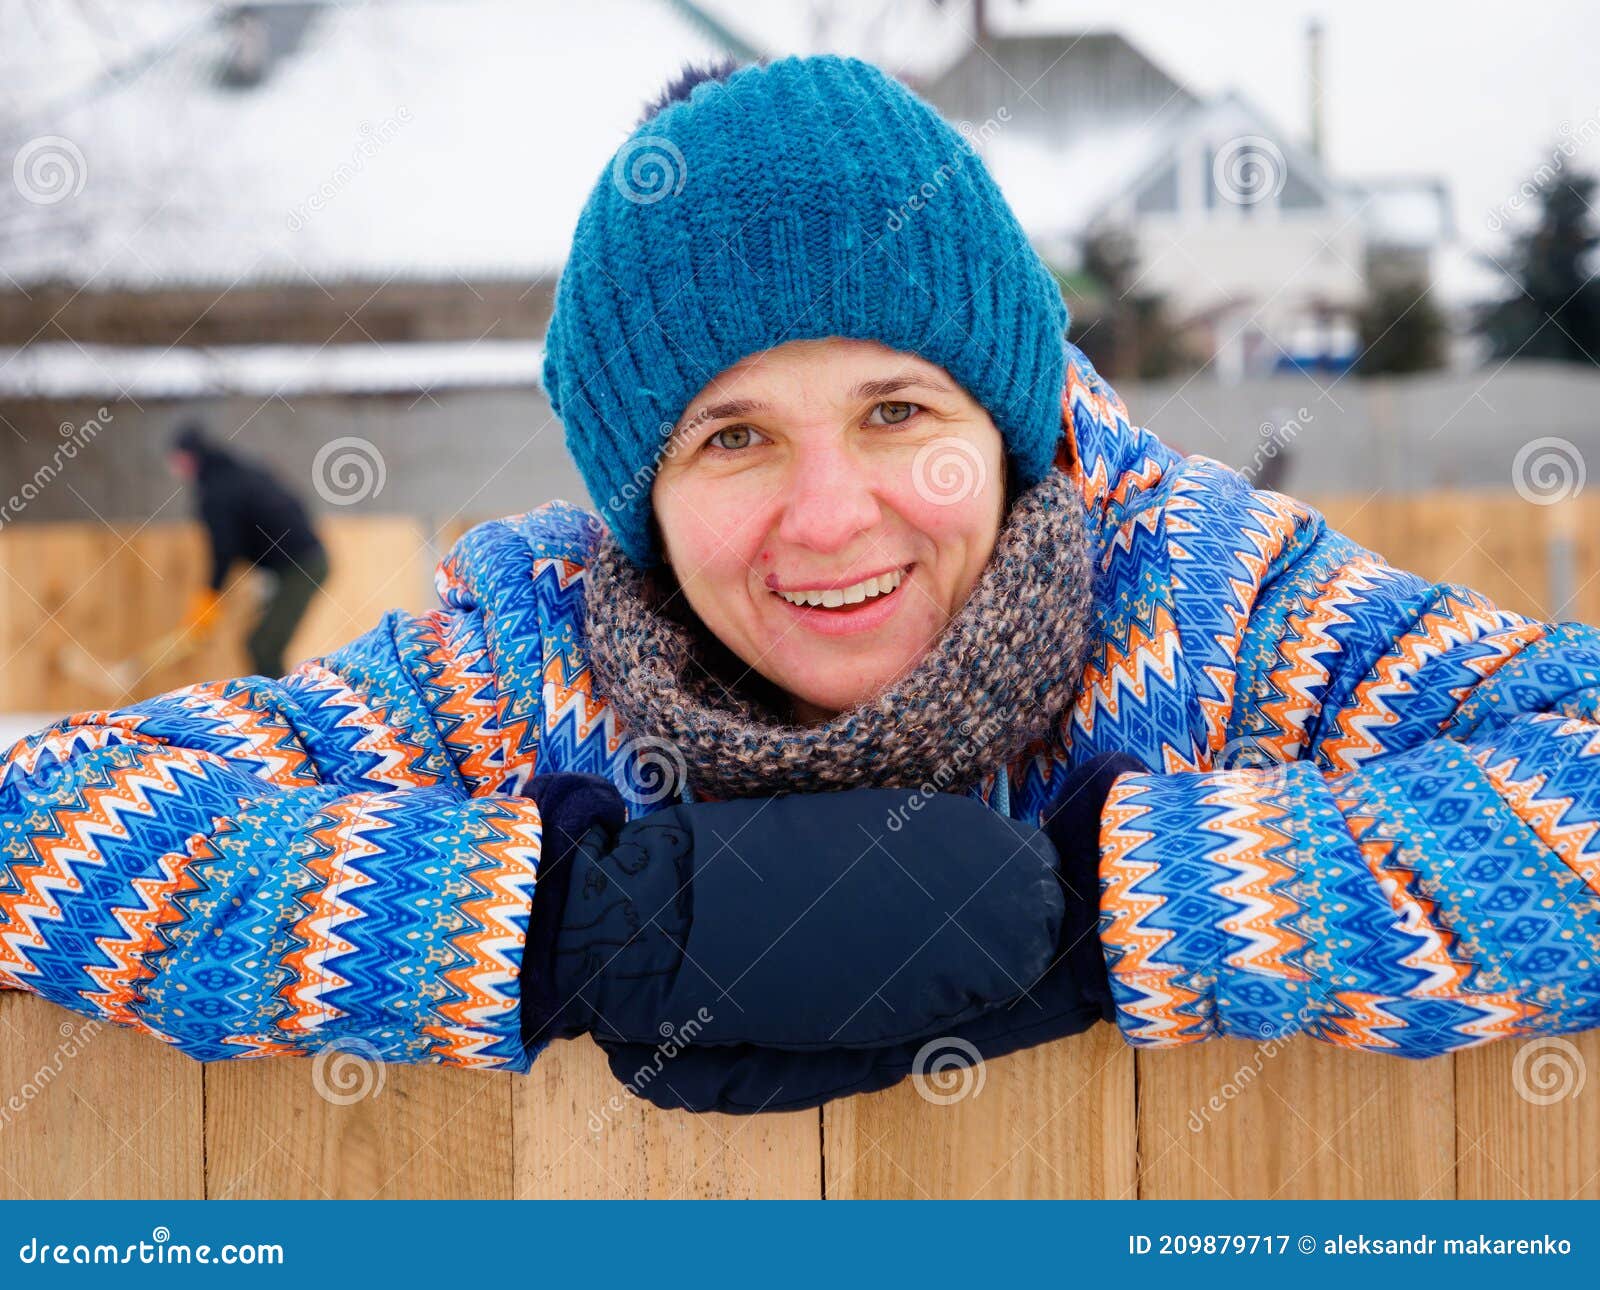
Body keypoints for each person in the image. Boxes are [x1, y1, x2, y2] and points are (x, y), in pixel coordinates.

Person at [2, 56, 1598, 1117]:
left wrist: (1113, 900)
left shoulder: (1214, 602)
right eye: (734, 436)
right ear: (640, 492)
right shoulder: (519, 660)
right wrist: (568, 925)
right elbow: (33, 819)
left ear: (1010, 418)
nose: (830, 519)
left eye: (898, 411)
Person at [165, 422, 331, 676]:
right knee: (260, 642)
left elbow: (224, 549)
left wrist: (210, 598)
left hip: (302, 567)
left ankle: (280, 709)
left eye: (177, 460)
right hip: (290, 566)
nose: (175, 469)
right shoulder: (238, 471)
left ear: (189, 457)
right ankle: (277, 703)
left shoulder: (215, 492)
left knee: (262, 646)